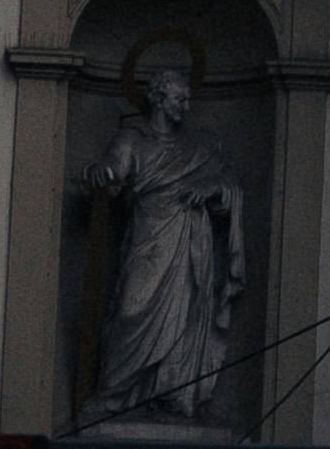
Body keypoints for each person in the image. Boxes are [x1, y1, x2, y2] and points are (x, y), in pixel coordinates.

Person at [71, 43, 245, 430]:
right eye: (180, 99)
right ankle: (111, 395)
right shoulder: (132, 140)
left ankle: (173, 397)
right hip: (149, 239)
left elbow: (230, 187)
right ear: (159, 98)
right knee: (132, 310)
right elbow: (111, 176)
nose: (186, 106)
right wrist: (98, 172)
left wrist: (212, 191)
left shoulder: (200, 147)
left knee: (185, 320)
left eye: (188, 99)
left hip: (190, 243)